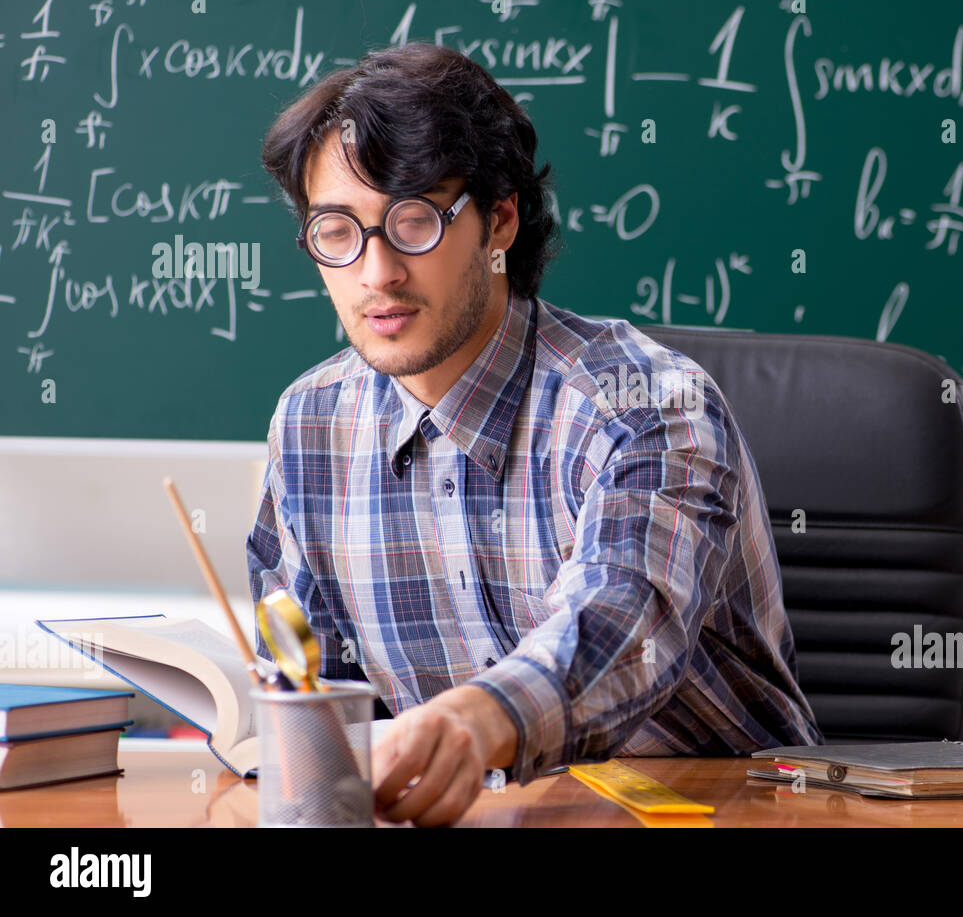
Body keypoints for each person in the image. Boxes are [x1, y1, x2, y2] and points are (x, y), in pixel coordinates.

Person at [249, 42, 822, 826]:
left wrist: (475, 721)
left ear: (501, 221)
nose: (375, 273)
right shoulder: (310, 426)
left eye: (413, 221)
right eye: (337, 231)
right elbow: (316, 691)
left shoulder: (644, 403)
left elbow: (623, 627)